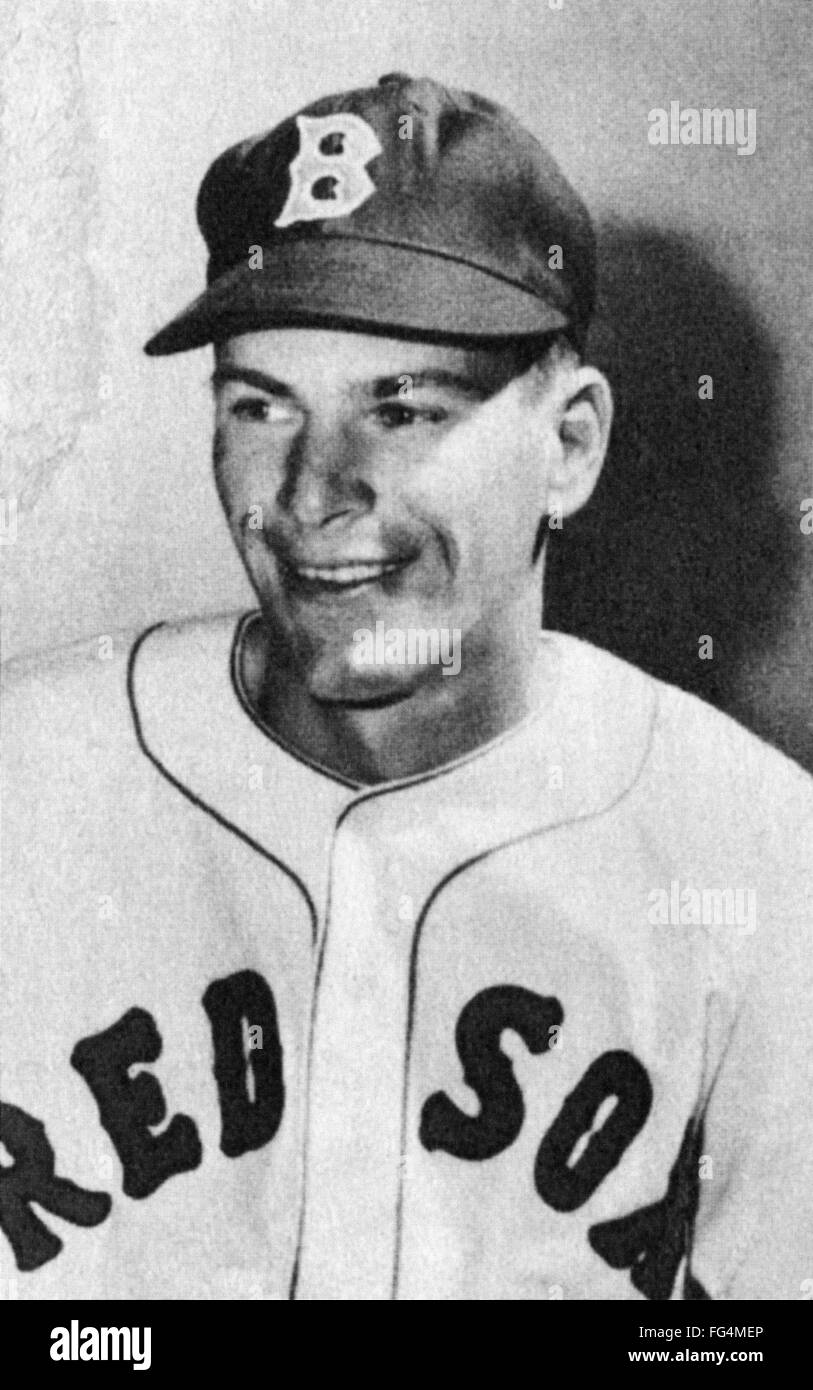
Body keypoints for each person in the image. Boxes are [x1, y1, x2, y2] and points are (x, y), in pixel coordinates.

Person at [2, 73, 812, 1302]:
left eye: (403, 407)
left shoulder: (764, 864)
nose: (316, 489)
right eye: (262, 404)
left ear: (572, 445)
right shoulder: (22, 779)